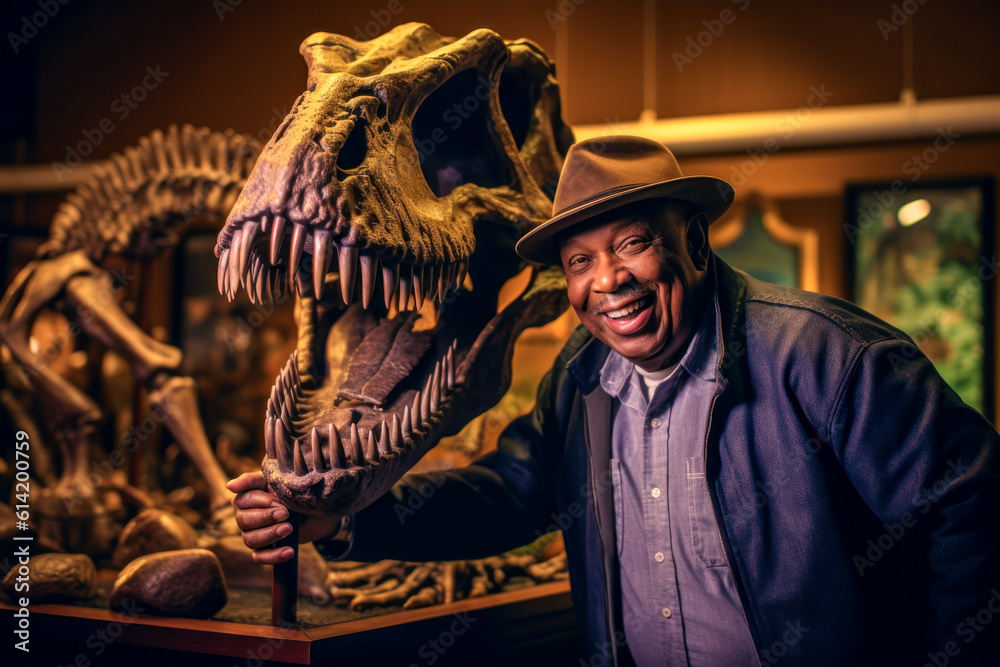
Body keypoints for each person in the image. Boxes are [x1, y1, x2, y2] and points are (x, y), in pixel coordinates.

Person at [229, 136, 1000, 666]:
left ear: (695, 242)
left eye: (632, 243)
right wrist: (346, 515)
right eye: (579, 262)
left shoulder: (830, 355)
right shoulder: (582, 375)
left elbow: (972, 504)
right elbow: (510, 496)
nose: (608, 281)